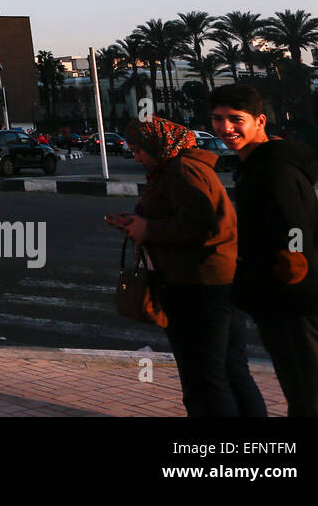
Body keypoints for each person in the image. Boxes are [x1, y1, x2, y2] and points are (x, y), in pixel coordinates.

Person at [112, 117, 265, 417]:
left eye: (139, 149)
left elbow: (205, 226)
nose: (136, 156)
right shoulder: (173, 170)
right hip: (214, 283)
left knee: (205, 376)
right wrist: (138, 225)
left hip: (199, 286)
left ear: (160, 144)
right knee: (230, 369)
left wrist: (149, 230)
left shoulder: (182, 170)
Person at [211, 84, 318, 416]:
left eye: (235, 119)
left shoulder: (274, 169)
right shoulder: (258, 164)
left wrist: (291, 265)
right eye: (217, 119)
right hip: (291, 304)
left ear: (260, 120)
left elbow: (294, 227)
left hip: (299, 306)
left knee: (312, 407)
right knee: (305, 402)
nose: (225, 128)